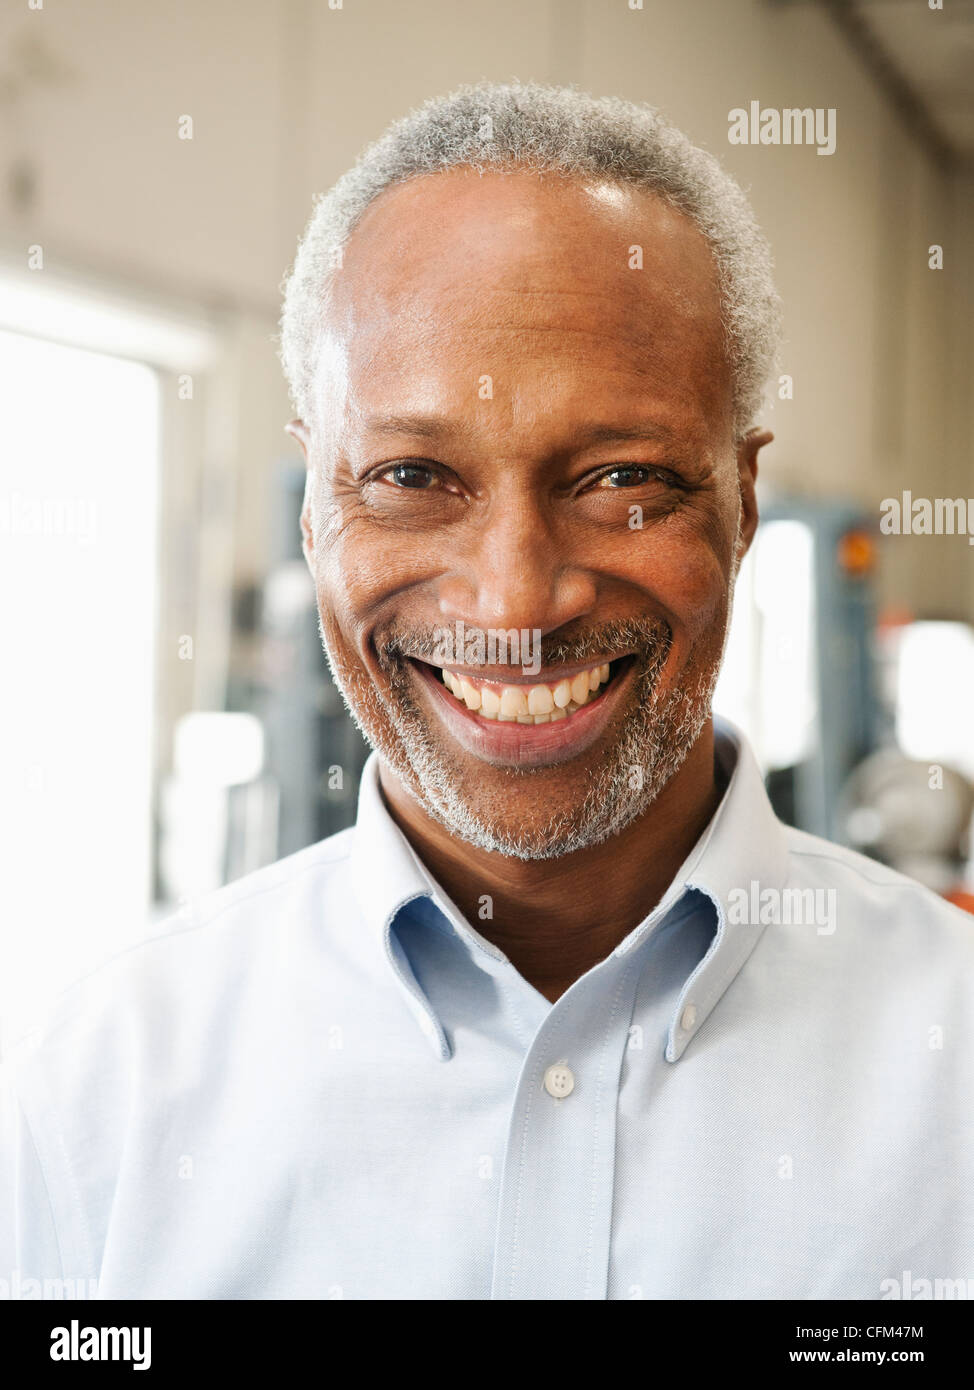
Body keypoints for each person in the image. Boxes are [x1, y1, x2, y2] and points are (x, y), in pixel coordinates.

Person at [3, 82, 972, 1301]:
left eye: (620, 476)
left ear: (741, 501)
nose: (514, 604)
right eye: (412, 474)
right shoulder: (97, 1094)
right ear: (313, 508)